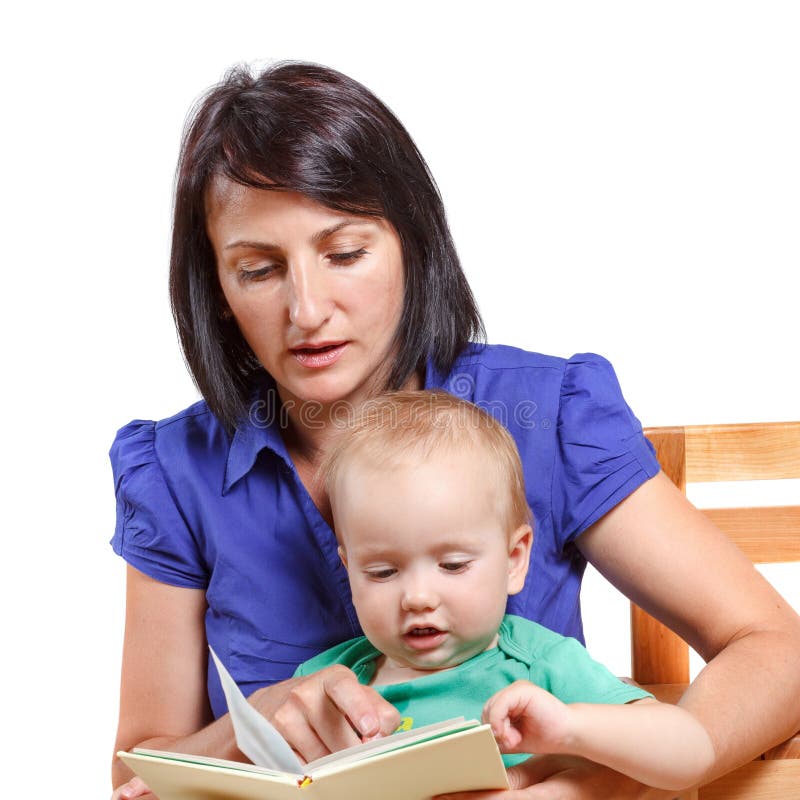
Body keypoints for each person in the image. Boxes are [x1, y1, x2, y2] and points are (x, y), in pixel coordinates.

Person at [110, 61, 800, 800]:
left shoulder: (546, 414)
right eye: (258, 269)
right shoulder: (178, 471)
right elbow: (136, 771)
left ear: (413, 243)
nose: (307, 310)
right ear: (215, 290)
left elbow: (775, 650)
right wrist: (264, 716)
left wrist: (602, 783)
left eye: (345, 254)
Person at [292, 389, 714, 793]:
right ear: (349, 570)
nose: (417, 597)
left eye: (453, 565)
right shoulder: (327, 685)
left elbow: (691, 752)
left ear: (514, 560)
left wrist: (572, 727)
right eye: (383, 572)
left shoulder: (539, 666)